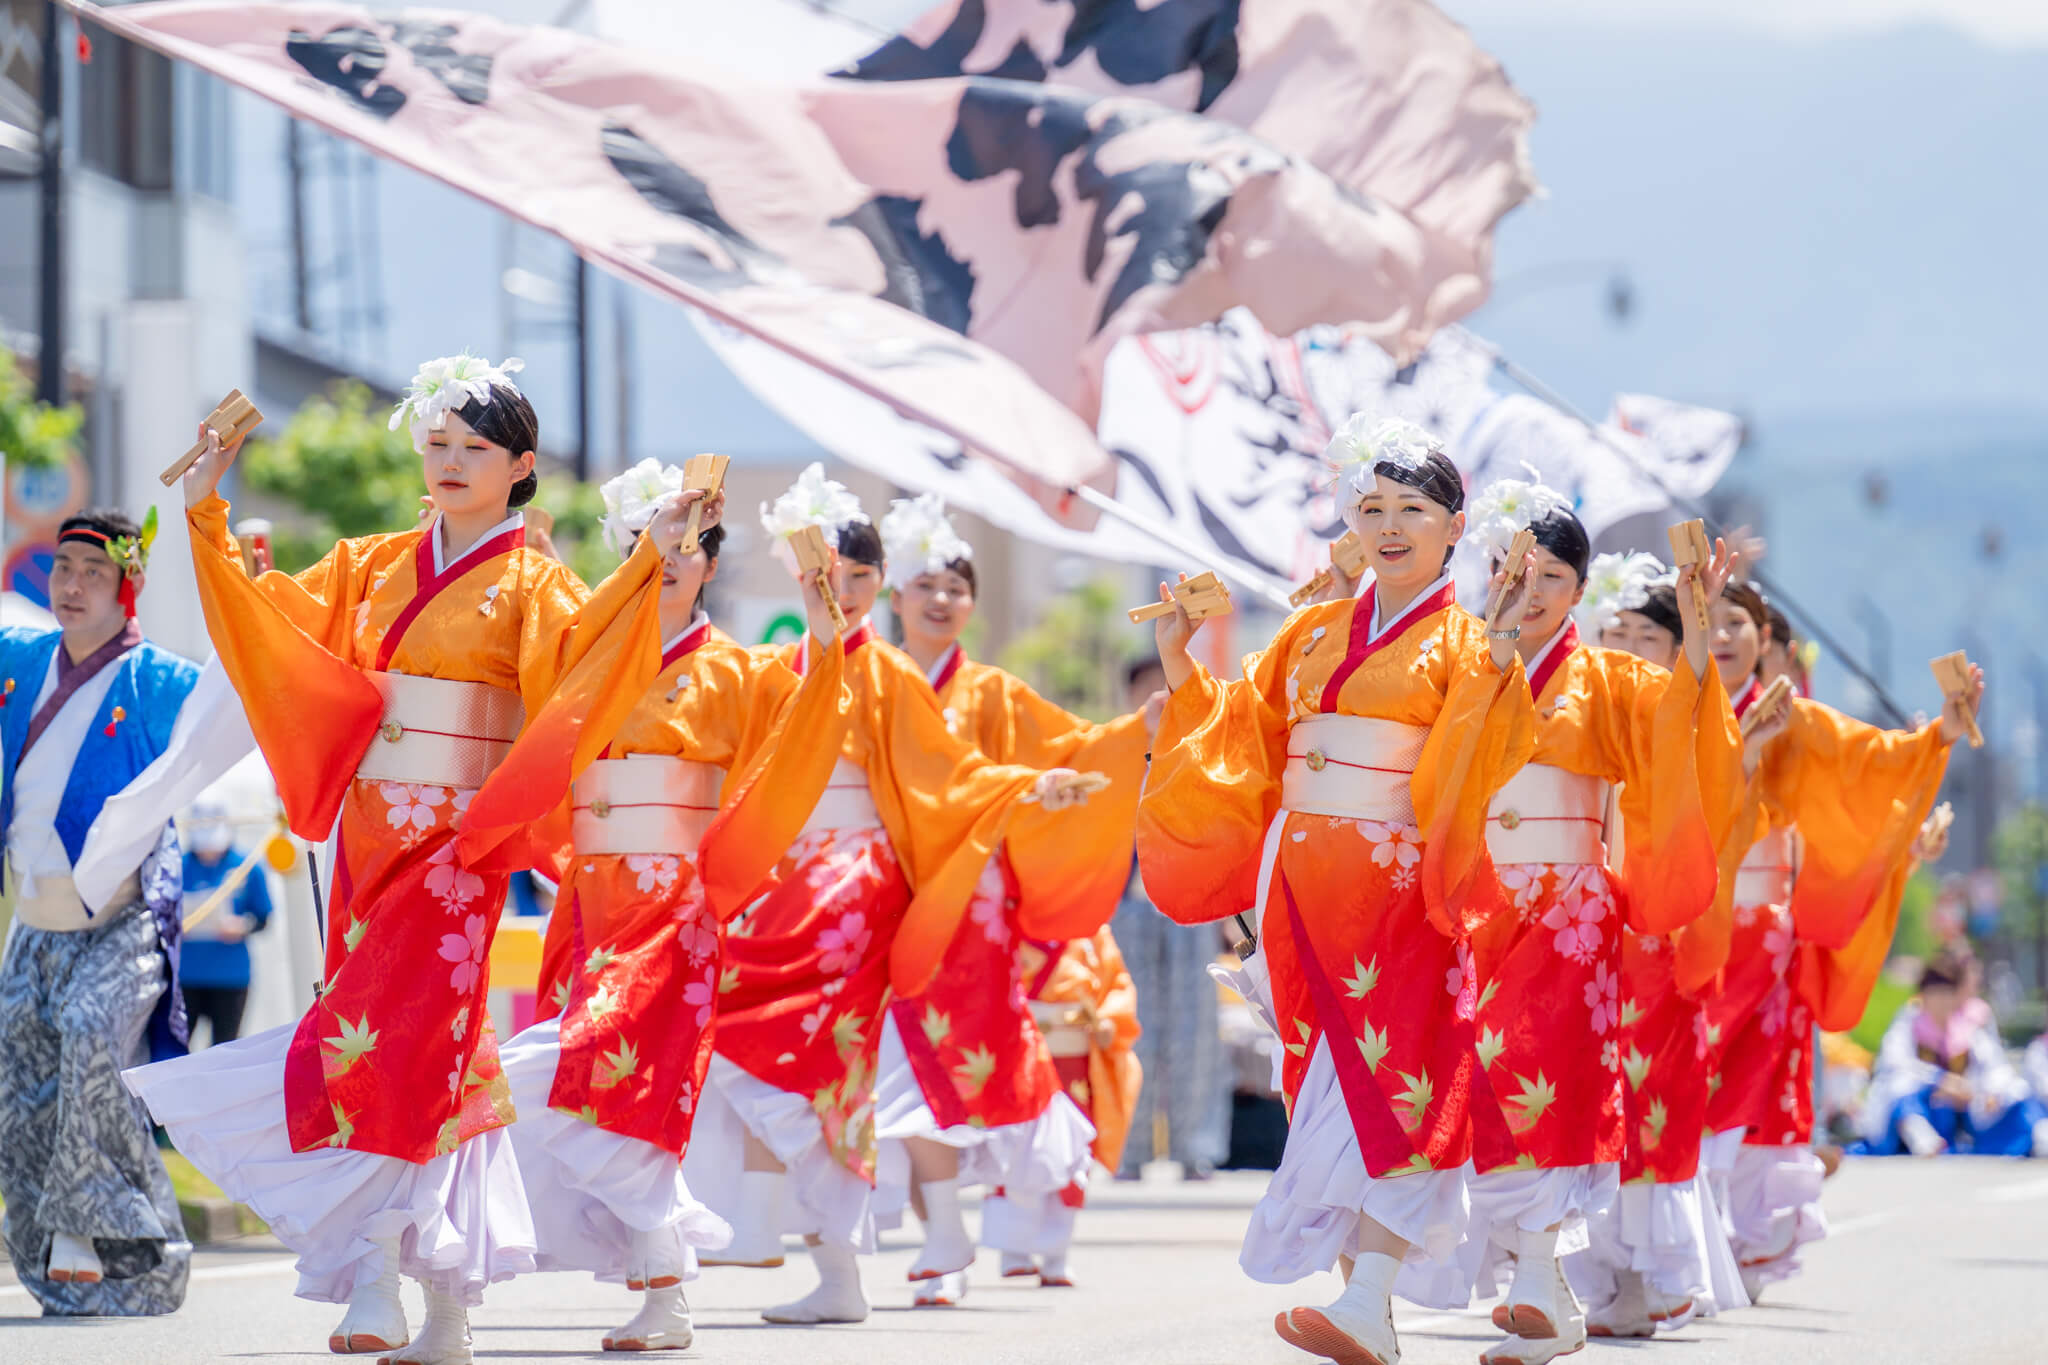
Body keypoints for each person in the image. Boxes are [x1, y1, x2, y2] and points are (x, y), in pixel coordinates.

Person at [125, 354, 693, 1365]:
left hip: (459, 852)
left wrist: (646, 563)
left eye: (475, 448)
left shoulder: (537, 584)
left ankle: (378, 1275)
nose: (449, 460)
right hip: (369, 833)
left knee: (378, 1041)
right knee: (433, 1060)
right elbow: (278, 637)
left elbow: (585, 676)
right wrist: (208, 514)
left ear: (521, 467)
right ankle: (446, 1309)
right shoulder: (367, 564)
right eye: (436, 442)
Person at [1137, 415, 1539, 1365]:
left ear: (1455, 524)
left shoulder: (1465, 641)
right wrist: (1182, 666)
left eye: (1413, 509)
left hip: (1406, 893)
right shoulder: (1315, 629)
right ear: (1350, 524)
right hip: (1304, 889)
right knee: (1336, 1085)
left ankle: (1368, 1297)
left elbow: (1479, 762)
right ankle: (1372, 1303)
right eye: (1372, 508)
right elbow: (1246, 732)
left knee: (1395, 1087)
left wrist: (1502, 655)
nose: (1390, 525)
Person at [682, 464, 1092, 1326]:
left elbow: (952, 775)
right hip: (787, 879)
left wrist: (1026, 786)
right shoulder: (767, 669)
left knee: (804, 1053)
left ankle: (802, 1240)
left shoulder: (888, 675)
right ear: (802, 572)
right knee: (784, 1053)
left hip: (855, 882)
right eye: (828, 570)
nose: (844, 587)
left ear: (877, 584)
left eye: (861, 575)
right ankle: (824, 1261)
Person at [499, 459, 850, 1352]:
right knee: (611, 1087)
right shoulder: (584, 656)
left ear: (709, 564)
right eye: (645, 543)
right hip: (588, 897)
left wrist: (822, 632)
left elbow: (802, 730)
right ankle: (665, 1294)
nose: (666, 561)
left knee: (593, 1068)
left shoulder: (736, 670)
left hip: (673, 908)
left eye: (688, 548)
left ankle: (668, 1284)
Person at [1393, 485, 1742, 1365]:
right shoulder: (1465, 657)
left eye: (1554, 574)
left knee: (1542, 1079)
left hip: (1568, 911)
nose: (1535, 587)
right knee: (1467, 1083)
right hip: (1473, 899)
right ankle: (1544, 1291)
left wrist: (1697, 646)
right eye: (1520, 569)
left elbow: (1681, 735)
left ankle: (1544, 1280)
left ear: (1580, 588)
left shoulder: (1613, 679)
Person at [873, 493, 1152, 1303]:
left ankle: (965, 1230)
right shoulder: (867, 679)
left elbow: (1073, 746)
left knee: (970, 1066)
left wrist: (1140, 727)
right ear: (894, 595)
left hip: (975, 906)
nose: (940, 599)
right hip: (888, 893)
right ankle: (943, 1234)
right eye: (924, 584)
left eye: (957, 587)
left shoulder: (992, 693)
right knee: (898, 1069)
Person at [1701, 580, 1973, 1300]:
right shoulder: (1674, 712)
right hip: (1684, 928)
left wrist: (1940, 732)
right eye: (1714, 621)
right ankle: (1681, 1239)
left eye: (1740, 623)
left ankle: (1740, 1238)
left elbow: (1873, 761)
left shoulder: (1801, 723)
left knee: (1752, 1092)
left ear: (1769, 642)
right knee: (1680, 1090)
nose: (1725, 636)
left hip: (1762, 939)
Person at [0, 508, 200, 1315]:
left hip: (123, 920)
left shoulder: (160, 680)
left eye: (95, 572)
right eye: (64, 569)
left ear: (130, 587)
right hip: (35, 923)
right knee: (18, 1085)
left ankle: (130, 1241)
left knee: (89, 1032)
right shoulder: (16, 659)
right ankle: (58, 1258)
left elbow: (239, 703)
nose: (73, 586)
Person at [1110, 656, 1231, 1182]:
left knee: (1195, 1026)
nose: (1159, 699)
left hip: (1190, 906)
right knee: (1132, 1026)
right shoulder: (1112, 754)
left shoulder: (1203, 755)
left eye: (1167, 689)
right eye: (1146, 690)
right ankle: (1127, 1147)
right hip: (1127, 906)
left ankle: (1192, 1144)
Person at [1014, 924, 1144, 1285]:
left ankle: (1056, 1253)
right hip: (1022, 1053)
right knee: (1018, 1148)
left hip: (1074, 1061)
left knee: (1071, 1153)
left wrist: (1108, 1020)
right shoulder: (1014, 918)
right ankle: (1016, 1247)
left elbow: (1117, 982)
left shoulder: (1092, 931)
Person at [1855, 951, 2048, 1157]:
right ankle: (1919, 1136)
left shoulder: (1968, 1029)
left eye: (1948, 993)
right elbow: (1895, 1064)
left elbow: (1995, 1068)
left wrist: (1985, 1091)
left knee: (2016, 1097)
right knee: (1902, 1091)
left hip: (1962, 1109)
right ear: (1923, 995)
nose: (1942, 1001)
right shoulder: (1908, 1024)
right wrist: (1940, 1080)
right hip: (1919, 1106)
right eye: (1935, 993)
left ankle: (2038, 1135)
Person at [177, 795, 276, 1047]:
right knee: (178, 1051)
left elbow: (263, 917)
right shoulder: (177, 866)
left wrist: (241, 926)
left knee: (226, 1049)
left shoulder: (247, 865)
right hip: (186, 976)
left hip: (230, 977)